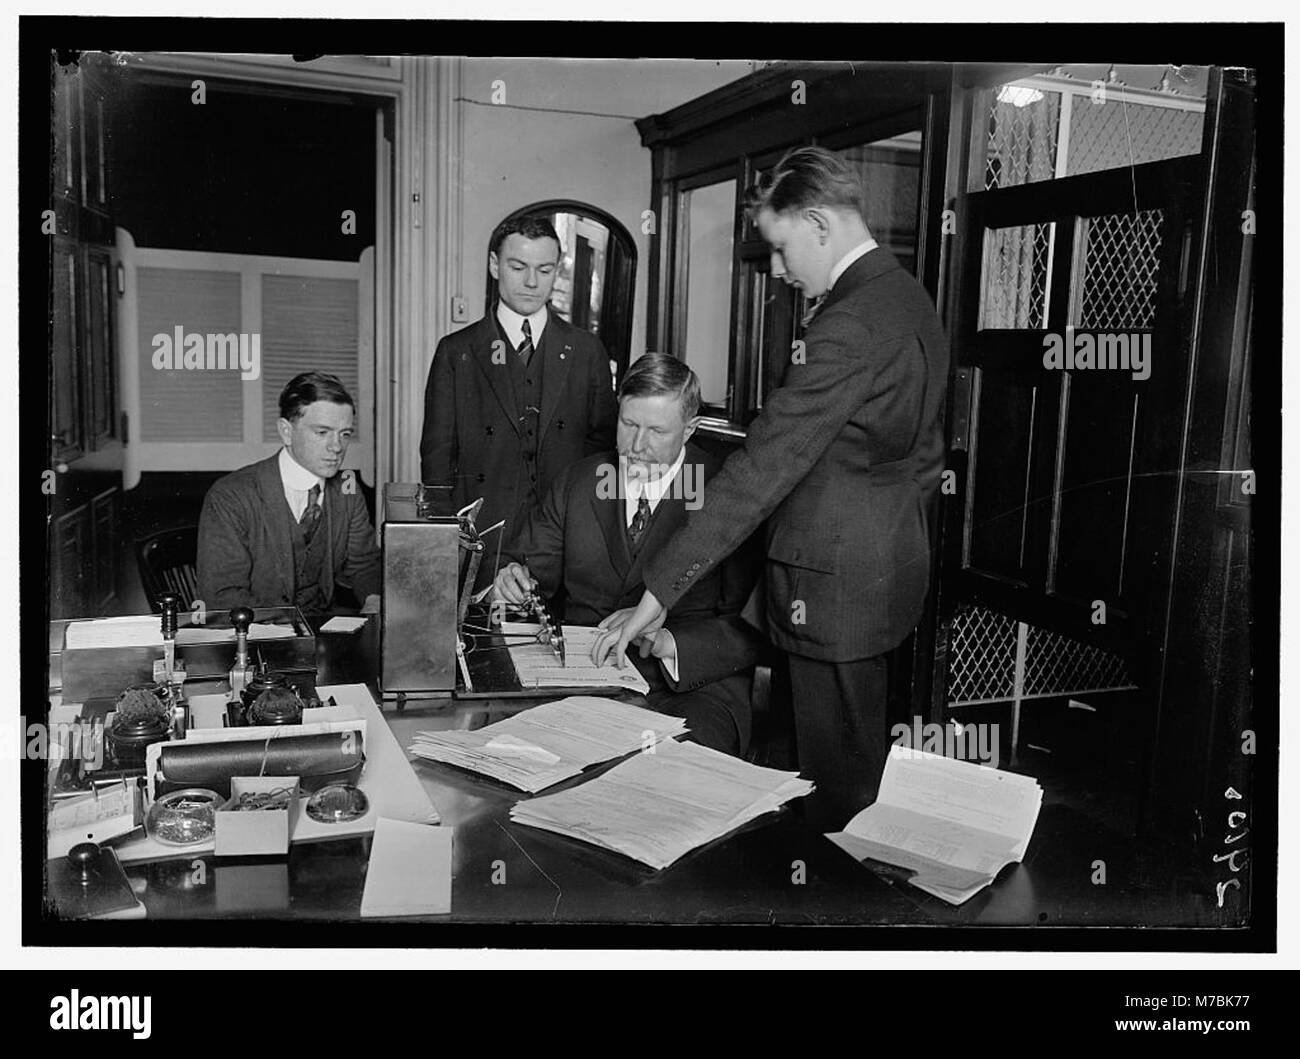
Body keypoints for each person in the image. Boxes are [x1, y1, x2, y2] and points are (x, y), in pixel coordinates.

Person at [595, 146, 950, 822]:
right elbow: (923, 460)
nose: (781, 272)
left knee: (831, 795)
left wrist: (657, 591)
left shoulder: (848, 323)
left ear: (818, 223)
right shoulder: (907, 299)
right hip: (880, 577)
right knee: (848, 774)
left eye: (782, 250)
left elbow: (758, 469)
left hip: (830, 588)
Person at [494, 354, 764, 756]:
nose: (637, 447)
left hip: (690, 692)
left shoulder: (727, 495)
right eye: (629, 424)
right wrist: (510, 580)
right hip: (586, 682)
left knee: (669, 776)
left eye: (656, 431)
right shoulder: (579, 481)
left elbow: (752, 627)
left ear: (689, 429)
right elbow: (529, 572)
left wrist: (666, 641)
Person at [420, 213, 618, 583]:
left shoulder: (586, 350)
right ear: (495, 266)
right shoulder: (456, 352)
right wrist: (447, 546)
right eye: (518, 267)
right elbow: (437, 462)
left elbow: (601, 454)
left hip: (562, 546)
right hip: (482, 544)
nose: (531, 282)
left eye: (544, 270)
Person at [197, 372, 381, 616]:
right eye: (322, 432)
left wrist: (373, 599)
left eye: (344, 434)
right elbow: (223, 597)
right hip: (256, 639)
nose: (336, 447)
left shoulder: (347, 490)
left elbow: (364, 564)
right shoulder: (231, 496)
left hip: (321, 633)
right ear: (286, 431)